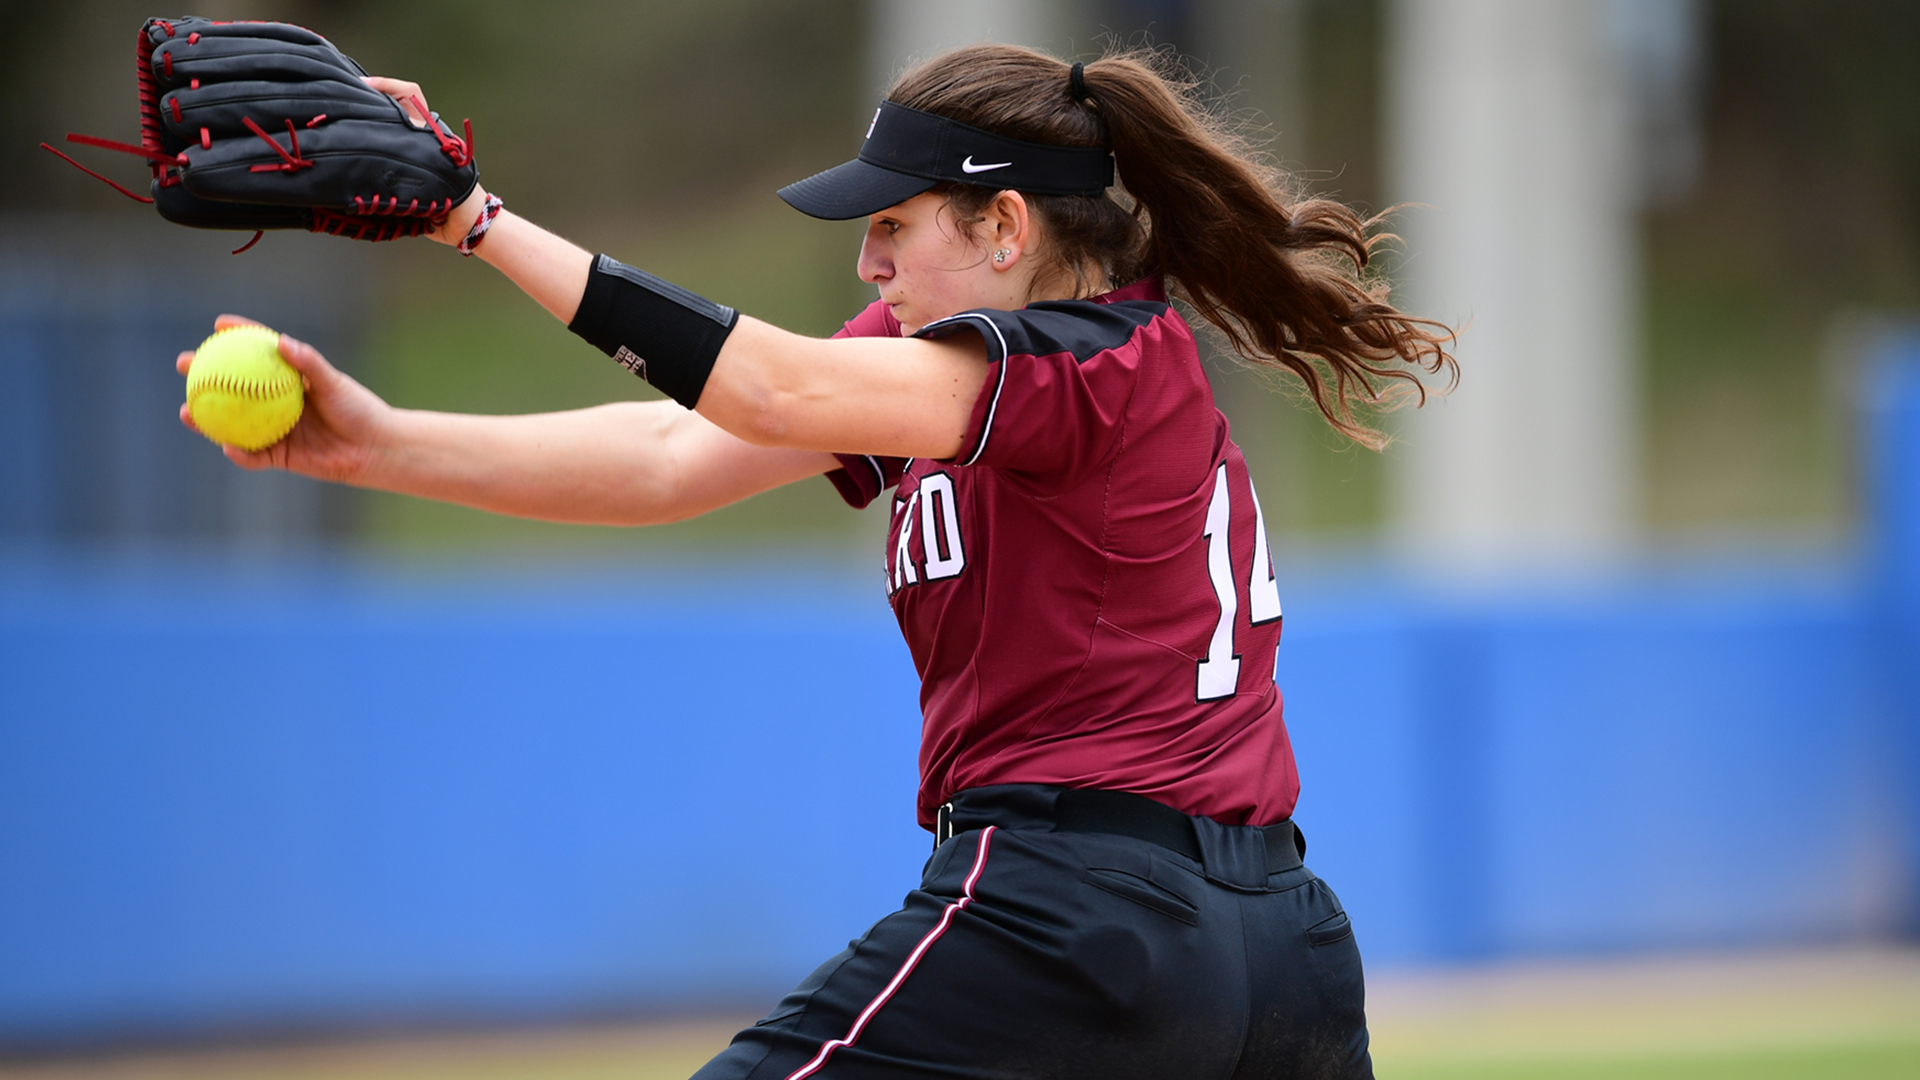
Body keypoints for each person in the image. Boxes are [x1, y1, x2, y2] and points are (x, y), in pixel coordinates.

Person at [180, 42, 1452, 1080]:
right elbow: (674, 457)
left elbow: (770, 388)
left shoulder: (1071, 364)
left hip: (1078, 920)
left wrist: (479, 222)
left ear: (1005, 225)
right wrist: (379, 444)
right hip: (1280, 949)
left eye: (894, 223)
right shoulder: (985, 369)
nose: (868, 260)